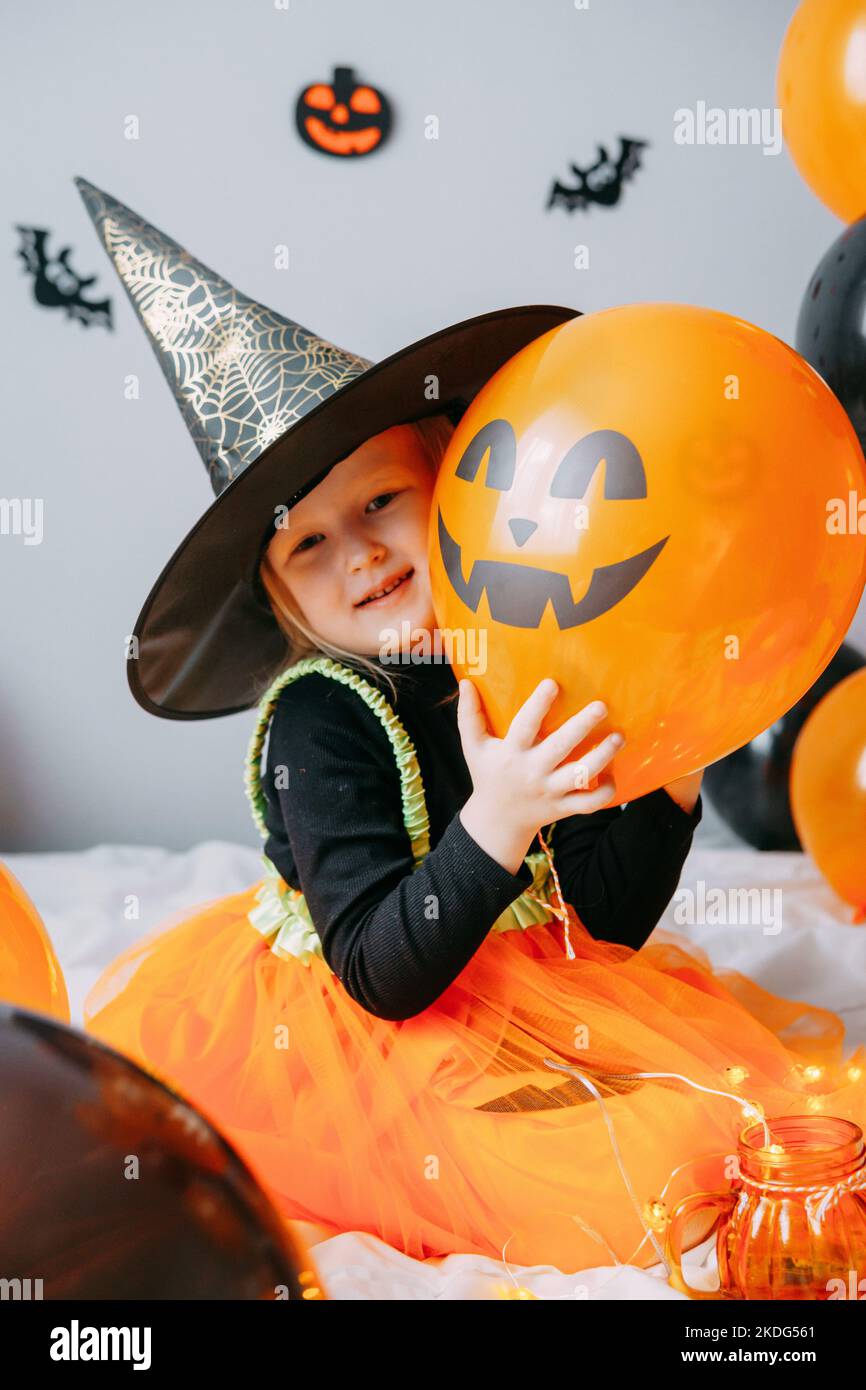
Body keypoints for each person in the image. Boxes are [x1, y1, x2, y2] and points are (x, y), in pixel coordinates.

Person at [79, 177, 866, 1275]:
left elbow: (604, 921)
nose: (357, 551)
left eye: (379, 501)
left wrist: (667, 777)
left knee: (734, 1111)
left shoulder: (522, 653)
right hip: (379, 1021)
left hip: (524, 987)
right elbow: (381, 978)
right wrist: (496, 816)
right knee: (639, 1167)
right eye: (308, 545)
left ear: (454, 493)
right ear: (281, 602)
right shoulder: (320, 723)